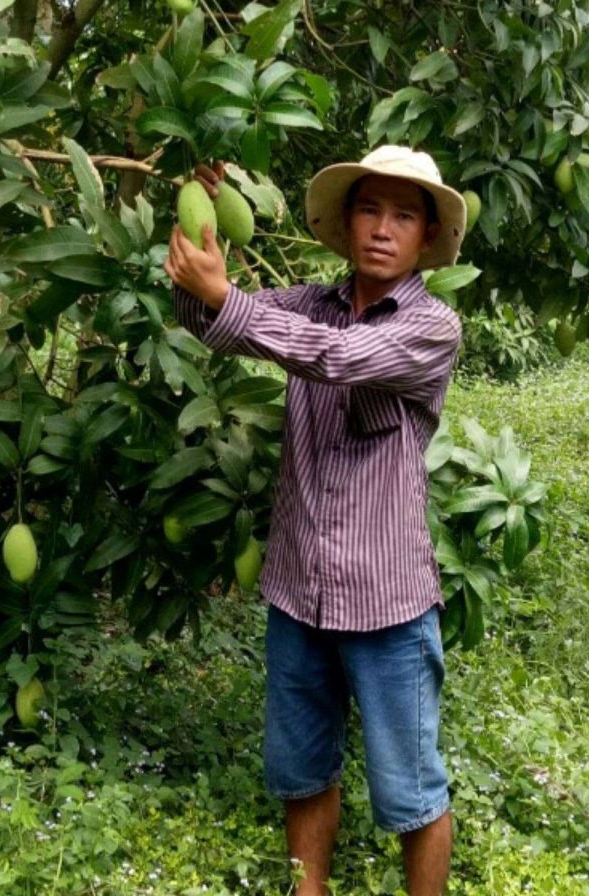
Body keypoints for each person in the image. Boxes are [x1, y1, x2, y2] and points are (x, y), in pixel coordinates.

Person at [164, 144, 467, 896]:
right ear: (348, 220)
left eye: (404, 215)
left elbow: (339, 358)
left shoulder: (433, 327)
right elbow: (214, 319)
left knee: (412, 791)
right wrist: (203, 235)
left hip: (387, 598)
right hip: (300, 587)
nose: (383, 229)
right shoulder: (307, 303)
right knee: (302, 767)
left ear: (427, 237)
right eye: (371, 209)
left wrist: (228, 301)